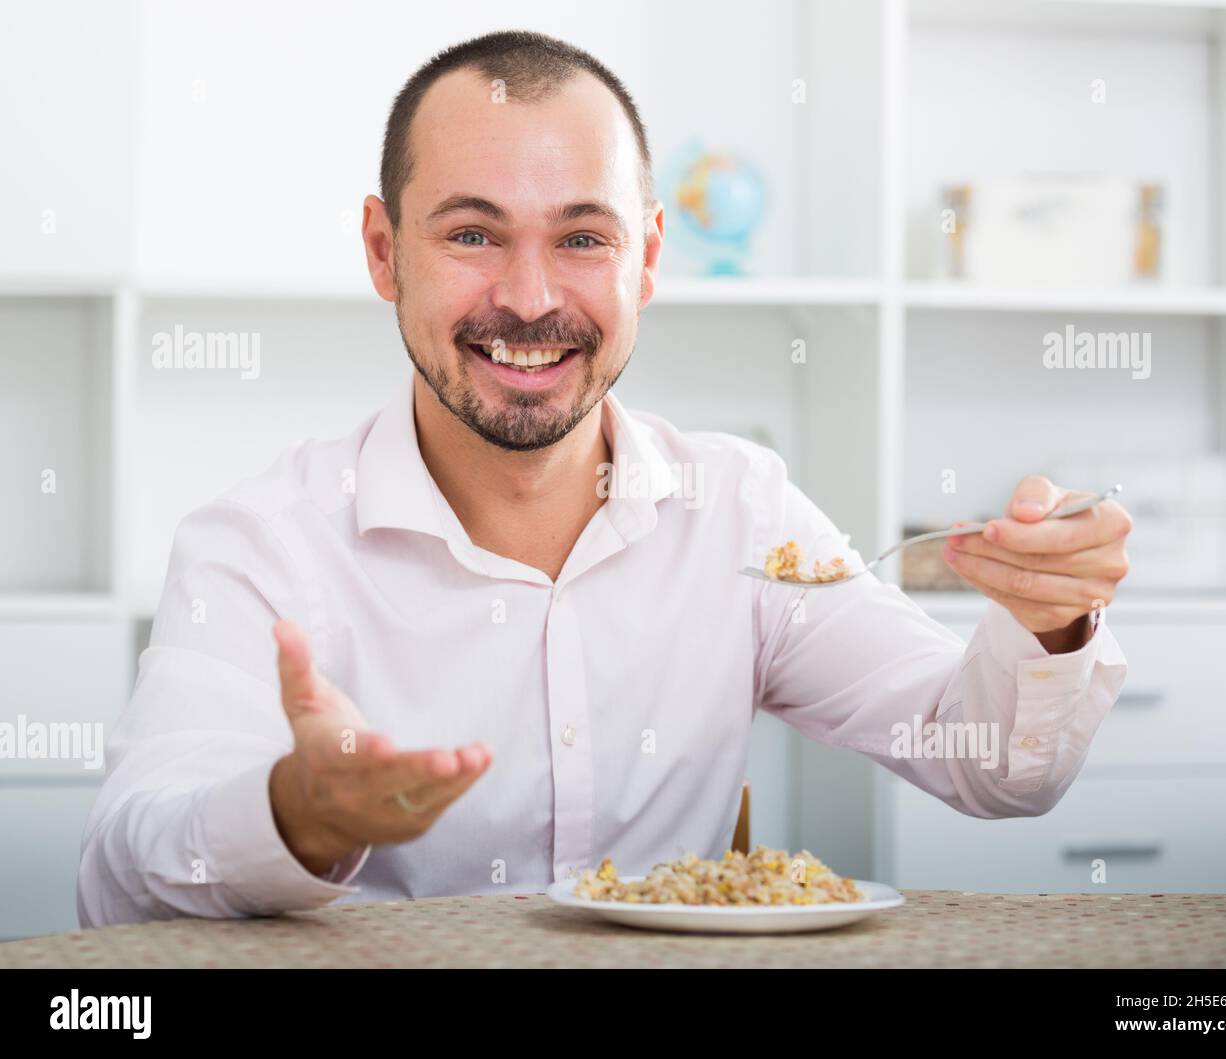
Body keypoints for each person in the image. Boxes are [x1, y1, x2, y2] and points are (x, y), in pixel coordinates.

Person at [77, 30, 1131, 927]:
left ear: (648, 257)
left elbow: (989, 764)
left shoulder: (742, 513)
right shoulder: (260, 547)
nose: (530, 299)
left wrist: (1050, 624)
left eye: (583, 236)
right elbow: (119, 876)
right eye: (473, 233)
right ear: (382, 249)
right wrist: (294, 814)